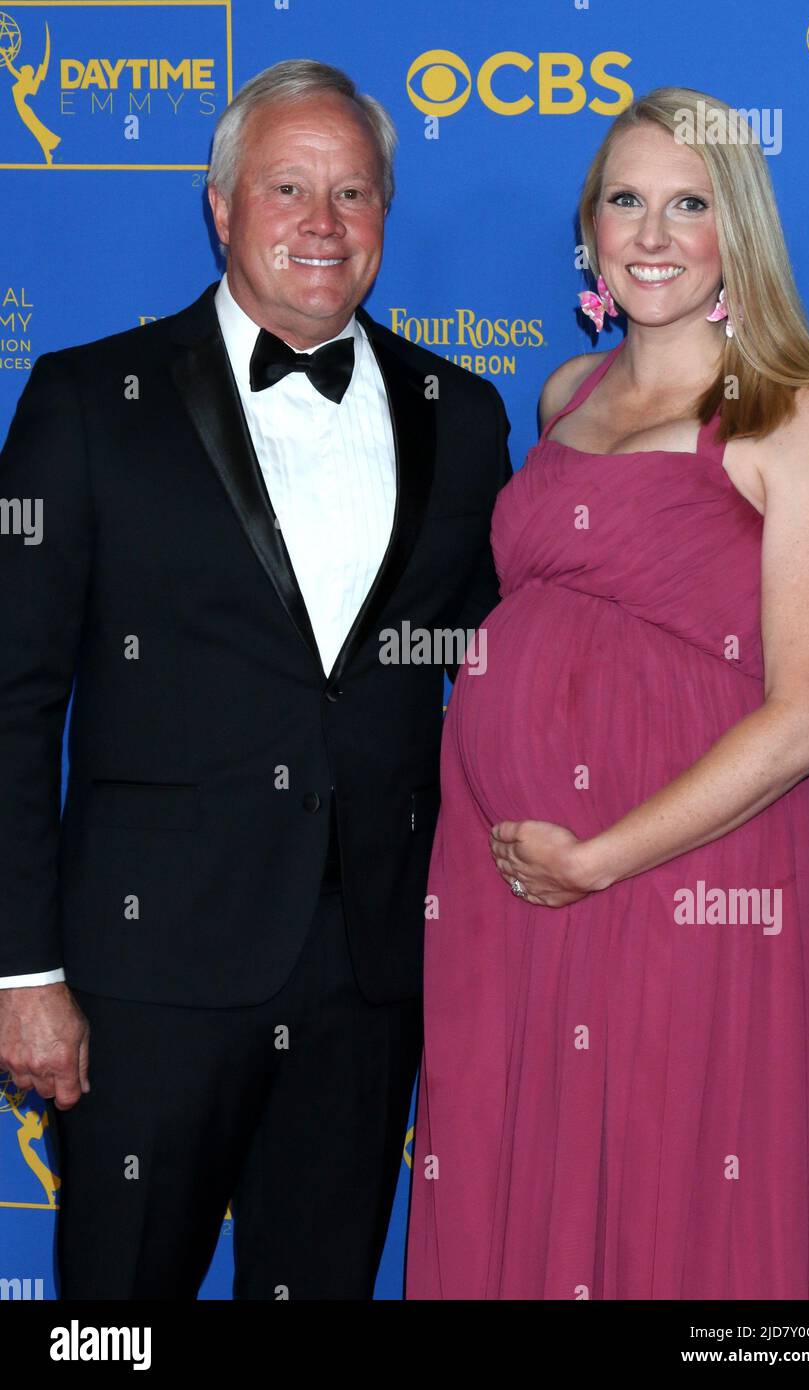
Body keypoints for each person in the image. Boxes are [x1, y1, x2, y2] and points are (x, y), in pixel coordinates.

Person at [0, 58, 511, 1299]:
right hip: (142, 982)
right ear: (221, 206)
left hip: (369, 979)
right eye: (286, 187)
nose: (321, 224)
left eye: (352, 192)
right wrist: (22, 973)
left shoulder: (466, 416)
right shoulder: (84, 404)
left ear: (386, 213)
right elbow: (14, 700)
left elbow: (498, 671)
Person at [406, 86, 809, 1300]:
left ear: (738, 232)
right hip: (508, 883)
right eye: (625, 200)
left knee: (683, 1189)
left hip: (687, 884)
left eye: (687, 204)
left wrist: (600, 857)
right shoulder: (563, 398)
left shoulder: (802, 415)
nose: (650, 233)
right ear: (590, 230)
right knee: (532, 1171)